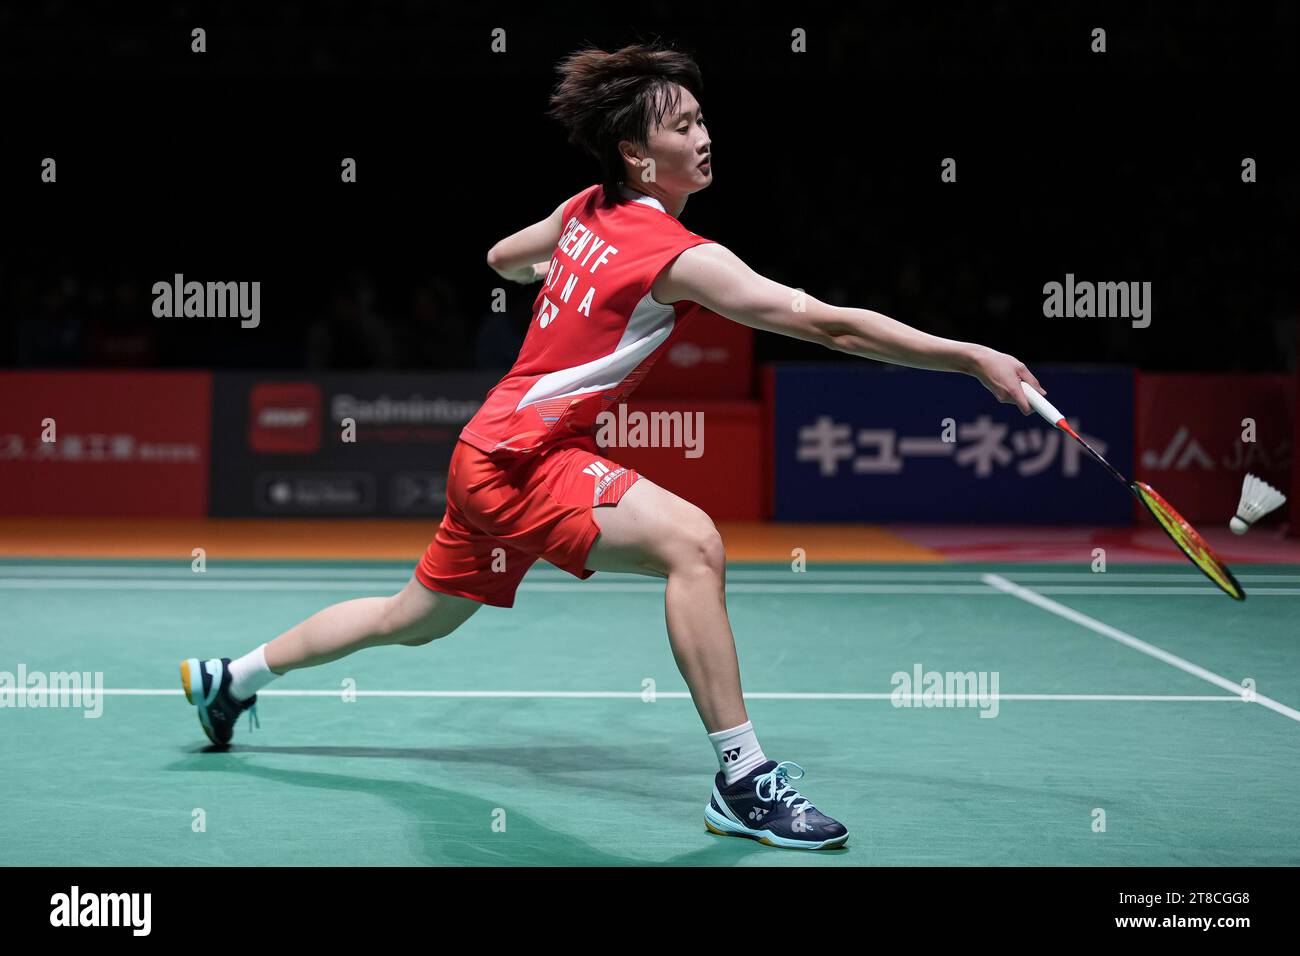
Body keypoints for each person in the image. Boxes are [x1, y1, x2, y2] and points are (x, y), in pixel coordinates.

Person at [182, 40, 1044, 852]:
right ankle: (743, 780)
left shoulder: (586, 211)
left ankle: (234, 677)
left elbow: (499, 258)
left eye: (704, 120)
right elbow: (821, 323)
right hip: (523, 459)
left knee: (409, 621)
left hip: (487, 450)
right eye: (683, 127)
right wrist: (967, 358)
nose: (705, 137)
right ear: (638, 155)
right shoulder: (678, 255)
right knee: (693, 544)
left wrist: (550, 266)